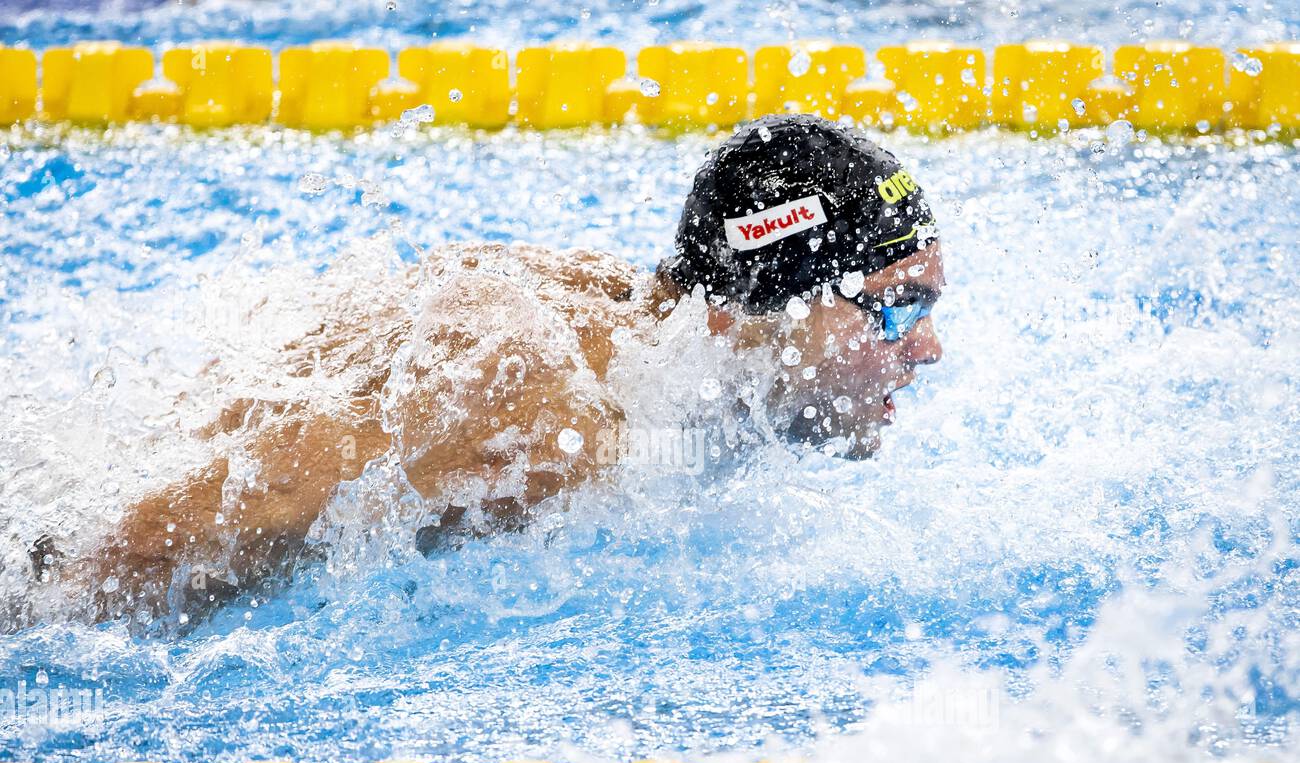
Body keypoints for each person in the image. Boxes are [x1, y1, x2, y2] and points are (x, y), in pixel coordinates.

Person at [23, 113, 945, 631]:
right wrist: (40, 612)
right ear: (758, 305)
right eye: (898, 306)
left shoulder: (651, 335)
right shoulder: (562, 420)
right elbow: (258, 493)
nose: (928, 347)